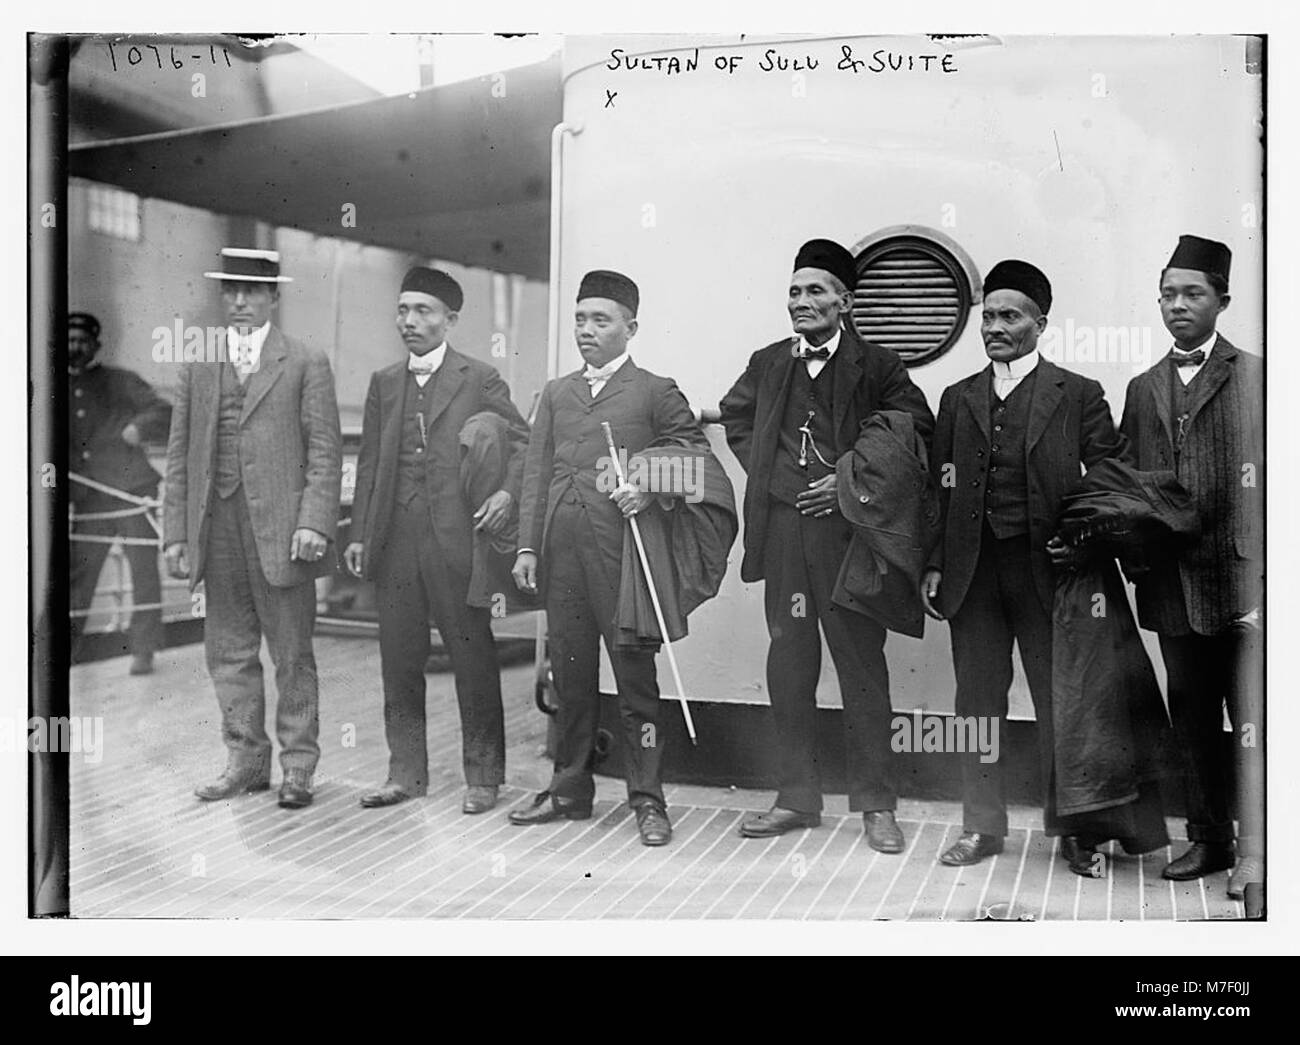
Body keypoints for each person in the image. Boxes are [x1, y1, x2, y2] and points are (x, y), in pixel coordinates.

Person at [719, 238, 934, 851]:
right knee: (789, 663)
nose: (801, 302)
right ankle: (796, 797)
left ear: (846, 300)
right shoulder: (769, 362)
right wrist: (778, 479)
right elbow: (739, 418)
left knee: (862, 666)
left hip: (851, 542)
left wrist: (845, 483)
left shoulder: (881, 364)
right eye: (794, 291)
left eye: (815, 291)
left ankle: (875, 806)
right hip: (787, 535)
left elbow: (914, 431)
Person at [920, 260, 1128, 868]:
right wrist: (934, 562)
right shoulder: (957, 397)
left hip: (1050, 575)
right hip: (974, 574)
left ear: (1041, 323)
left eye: (1009, 316)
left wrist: (1083, 539)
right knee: (974, 702)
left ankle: (1075, 831)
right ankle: (981, 825)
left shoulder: (1078, 394)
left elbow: (1110, 478)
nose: (994, 327)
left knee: (1061, 700)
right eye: (987, 316)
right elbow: (941, 489)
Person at [510, 270, 711, 847]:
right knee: (571, 680)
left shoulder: (655, 390)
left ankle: (648, 799)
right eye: (580, 319)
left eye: (601, 320)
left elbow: (693, 457)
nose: (586, 331)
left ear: (631, 328)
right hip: (562, 559)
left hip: (623, 563)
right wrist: (528, 546)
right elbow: (535, 472)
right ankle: (569, 788)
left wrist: (648, 485)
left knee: (635, 686)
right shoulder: (555, 393)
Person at [345, 267, 530, 814]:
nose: (410, 321)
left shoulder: (480, 377)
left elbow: (522, 444)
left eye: (423, 311)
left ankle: (483, 776)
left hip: (458, 538)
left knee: (471, 654)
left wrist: (507, 496)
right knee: (398, 659)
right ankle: (405, 773)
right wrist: (358, 534)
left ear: (450, 320)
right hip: (395, 540)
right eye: (403, 310)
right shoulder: (383, 382)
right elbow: (372, 461)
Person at [163, 248, 342, 810]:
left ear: (273, 298)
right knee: (229, 652)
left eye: (253, 292)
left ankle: (298, 768)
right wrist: (174, 533)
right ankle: (245, 763)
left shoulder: (306, 361)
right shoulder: (199, 364)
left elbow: (325, 452)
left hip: (284, 532)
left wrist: (314, 521)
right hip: (216, 526)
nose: (240, 302)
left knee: (292, 653)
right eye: (232, 291)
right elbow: (178, 458)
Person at [1119, 235, 1263, 898]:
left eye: (1193, 293)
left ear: (1223, 301)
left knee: (1255, 721)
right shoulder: (1143, 388)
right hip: (1175, 587)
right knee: (1195, 720)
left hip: (1243, 587)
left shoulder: (1260, 376)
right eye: (1169, 294)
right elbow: (1128, 483)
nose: (1178, 305)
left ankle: (1259, 852)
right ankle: (1209, 839)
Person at [67, 312, 171, 675]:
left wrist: (137, 428)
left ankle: (144, 650)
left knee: (143, 572)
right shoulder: (52, 389)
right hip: (89, 497)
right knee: (78, 577)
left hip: (131, 490)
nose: (75, 347)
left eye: (82, 340)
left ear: (95, 344)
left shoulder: (120, 381)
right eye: (69, 340)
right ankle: (65, 654)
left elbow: (161, 409)